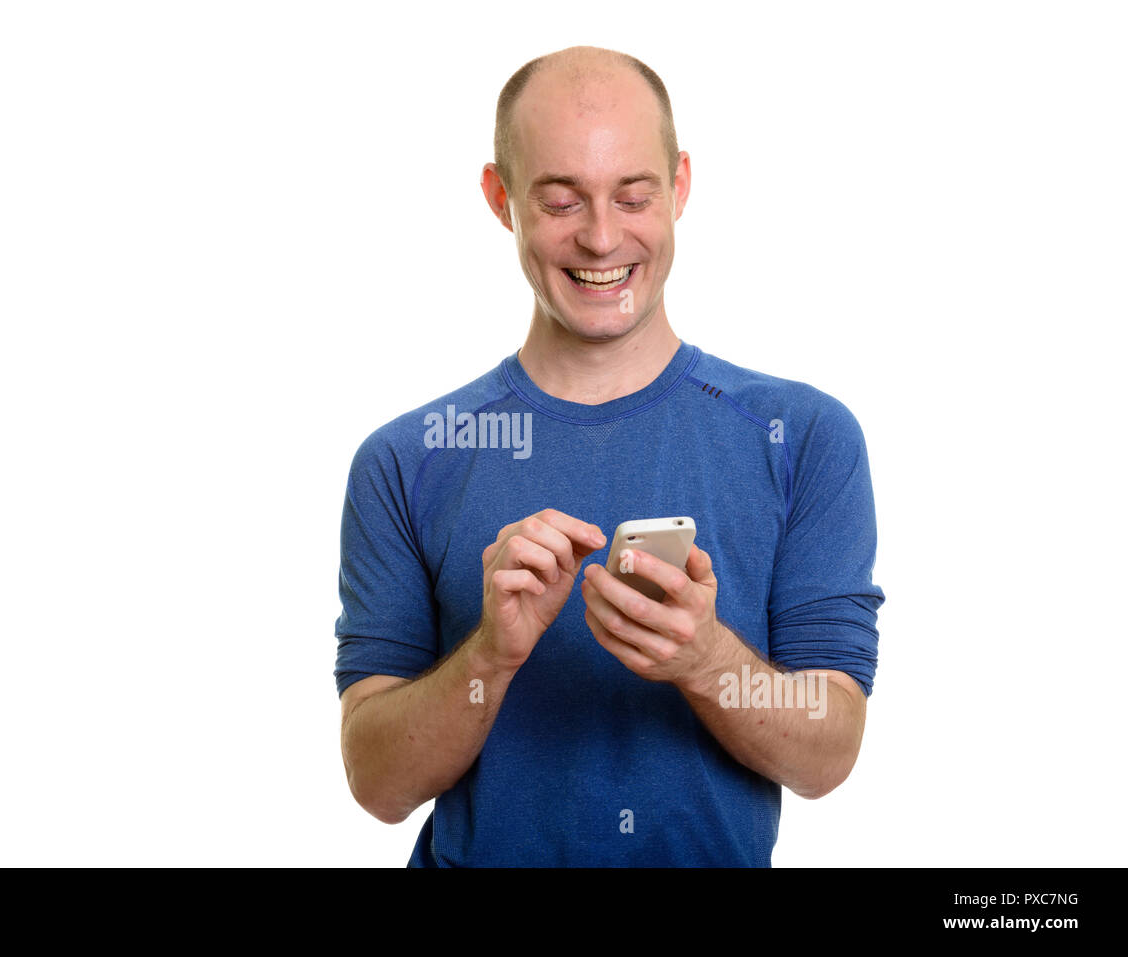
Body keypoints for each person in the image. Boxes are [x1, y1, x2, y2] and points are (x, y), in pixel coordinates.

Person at [333, 45, 885, 866]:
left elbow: (827, 754)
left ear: (681, 186)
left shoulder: (803, 437)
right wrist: (491, 655)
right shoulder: (406, 460)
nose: (600, 238)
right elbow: (378, 784)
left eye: (633, 196)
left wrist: (704, 660)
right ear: (500, 197)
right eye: (560, 201)